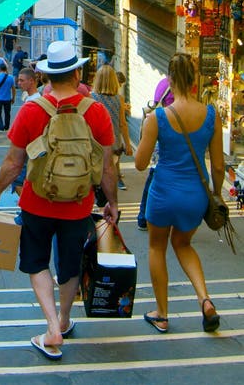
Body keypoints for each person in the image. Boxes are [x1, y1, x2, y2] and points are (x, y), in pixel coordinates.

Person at [0, 41, 117, 361]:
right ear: (77, 72)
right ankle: (65, 319)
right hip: (79, 204)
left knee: (37, 262)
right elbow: (107, 164)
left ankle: (51, 325)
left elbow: (14, 162)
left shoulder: (33, 109)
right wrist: (110, 202)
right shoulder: (94, 110)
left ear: (46, 76)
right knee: (69, 265)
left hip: (36, 202)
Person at [135, 52, 224, 334]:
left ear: (170, 81)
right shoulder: (212, 115)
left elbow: (139, 163)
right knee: (184, 245)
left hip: (163, 193)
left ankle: (161, 314)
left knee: (156, 247)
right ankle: (205, 300)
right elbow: (219, 166)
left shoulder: (158, 117)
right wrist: (217, 193)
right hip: (195, 195)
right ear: (194, 81)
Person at [137, 76, 174, 230]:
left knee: (153, 176)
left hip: (158, 133)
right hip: (167, 134)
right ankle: (145, 217)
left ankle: (143, 217)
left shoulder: (162, 82)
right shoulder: (173, 87)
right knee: (156, 176)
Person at [91, 65, 132, 190]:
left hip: (95, 144)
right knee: (110, 174)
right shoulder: (118, 99)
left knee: (95, 177)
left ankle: (98, 203)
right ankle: (110, 204)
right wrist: (128, 145)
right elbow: (122, 124)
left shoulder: (90, 97)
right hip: (113, 144)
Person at [0, 62, 15, 131]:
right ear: (6, 69)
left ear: (0, 69)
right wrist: (13, 98)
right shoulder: (10, 77)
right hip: (7, 98)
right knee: (7, 113)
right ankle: (6, 126)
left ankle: (1, 127)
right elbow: (13, 89)